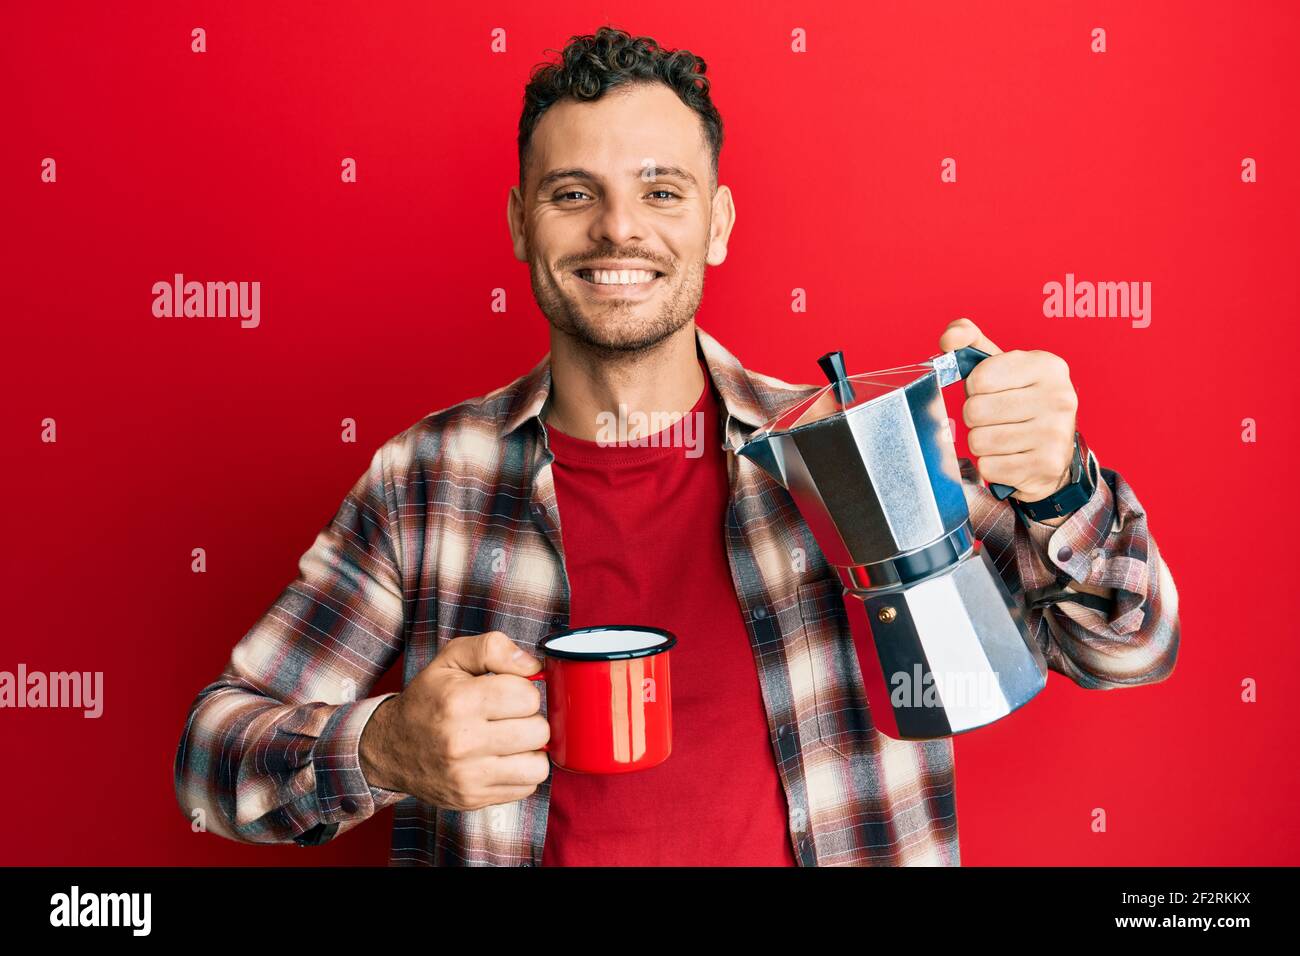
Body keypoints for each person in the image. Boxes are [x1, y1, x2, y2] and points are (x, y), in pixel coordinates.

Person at [173, 25, 1179, 866]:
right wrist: (383, 747)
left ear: (717, 223)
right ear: (521, 223)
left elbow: (1126, 647)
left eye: (661, 190)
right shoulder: (425, 482)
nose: (619, 230)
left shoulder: (846, 450)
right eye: (573, 193)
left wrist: (1057, 487)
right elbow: (210, 758)